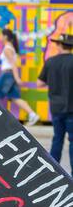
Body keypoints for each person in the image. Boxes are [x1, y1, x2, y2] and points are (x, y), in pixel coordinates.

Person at [38, 31, 73, 171]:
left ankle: (53, 169)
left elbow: (39, 83)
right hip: (72, 108)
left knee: (57, 138)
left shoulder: (50, 62)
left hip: (56, 107)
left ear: (59, 45)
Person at [0, 27, 40, 125]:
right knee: (15, 97)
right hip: (10, 75)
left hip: (7, 75)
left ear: (5, 36)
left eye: (1, 35)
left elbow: (13, 64)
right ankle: (32, 114)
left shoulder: (7, 49)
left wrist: (17, 78)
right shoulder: (11, 48)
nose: (0, 37)